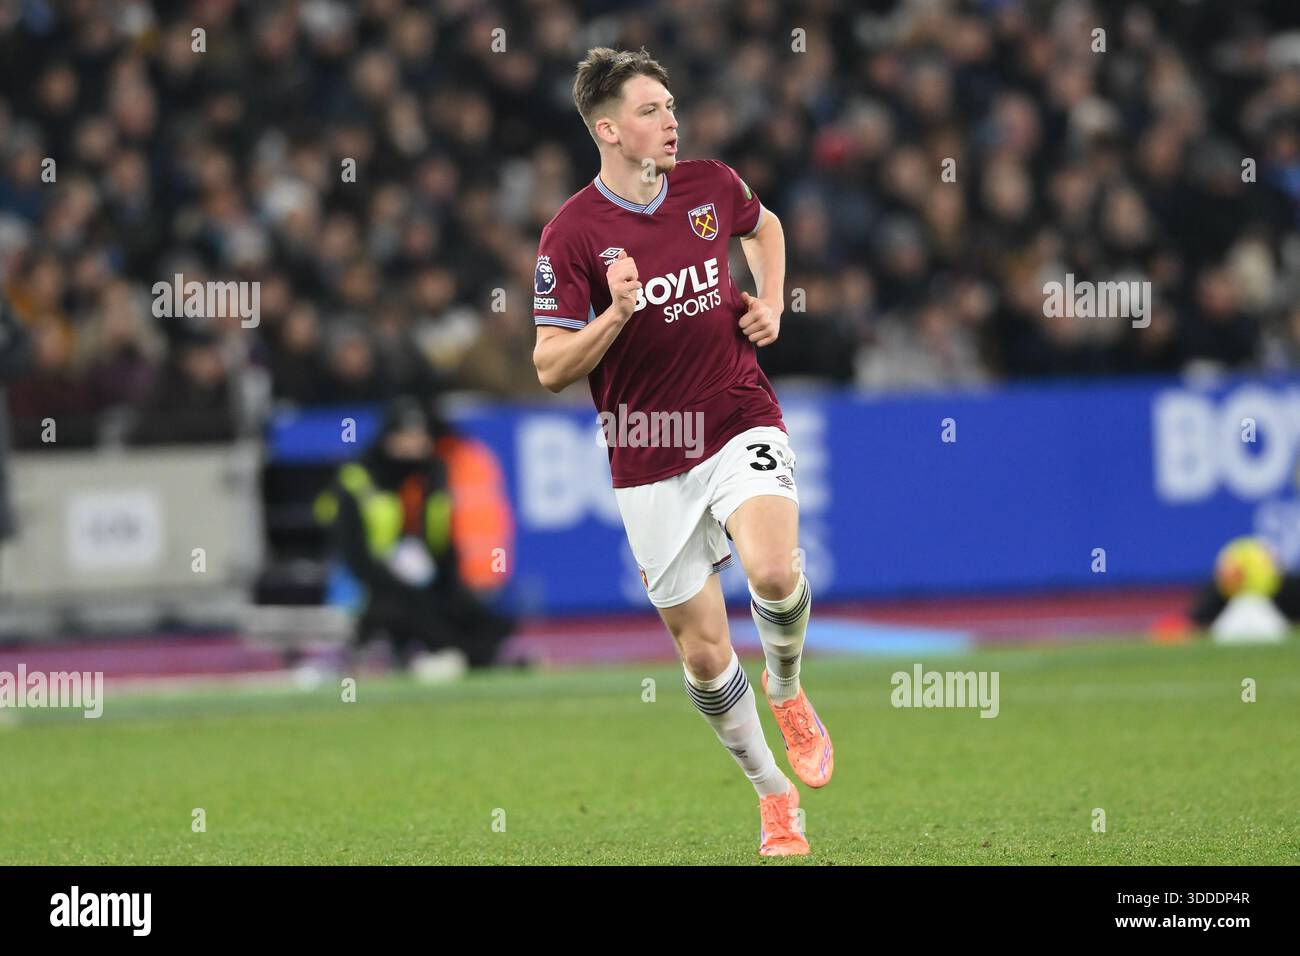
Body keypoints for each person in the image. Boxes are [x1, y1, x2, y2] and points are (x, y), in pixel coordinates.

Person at [530, 47, 831, 857]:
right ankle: (773, 794)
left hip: (738, 415)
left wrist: (769, 300)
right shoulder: (572, 234)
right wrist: (617, 314)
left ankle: (789, 689)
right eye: (651, 110)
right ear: (608, 130)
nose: (671, 121)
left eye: (670, 106)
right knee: (702, 655)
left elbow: (762, 225)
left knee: (775, 571)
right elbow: (551, 365)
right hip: (647, 455)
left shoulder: (709, 185)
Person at [313, 397, 514, 671]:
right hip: (367, 588)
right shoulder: (358, 481)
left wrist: (448, 585)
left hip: (419, 578)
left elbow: (443, 546)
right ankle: (455, 656)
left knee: (476, 614)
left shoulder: (431, 477)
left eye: (420, 435)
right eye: (406, 435)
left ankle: (467, 657)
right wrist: (407, 583)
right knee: (417, 611)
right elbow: (356, 559)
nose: (414, 444)